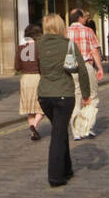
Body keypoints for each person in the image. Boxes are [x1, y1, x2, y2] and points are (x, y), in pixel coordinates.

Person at [35, 13, 92, 187]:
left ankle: (66, 169)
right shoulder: (68, 45)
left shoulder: (37, 45)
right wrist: (86, 94)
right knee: (58, 134)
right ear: (60, 26)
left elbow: (39, 68)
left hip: (44, 95)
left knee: (60, 130)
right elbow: (81, 70)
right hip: (63, 94)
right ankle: (55, 177)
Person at [68, 7, 103, 139]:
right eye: (84, 17)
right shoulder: (88, 31)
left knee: (76, 98)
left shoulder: (65, 32)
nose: (85, 19)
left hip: (71, 67)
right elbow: (94, 51)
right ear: (80, 18)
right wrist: (100, 68)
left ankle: (75, 132)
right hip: (86, 66)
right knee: (92, 97)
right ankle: (87, 127)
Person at [15, 23, 44, 140]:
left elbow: (17, 67)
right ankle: (34, 125)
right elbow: (42, 65)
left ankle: (33, 133)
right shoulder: (39, 47)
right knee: (42, 107)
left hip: (25, 79)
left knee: (30, 109)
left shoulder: (21, 48)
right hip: (37, 78)